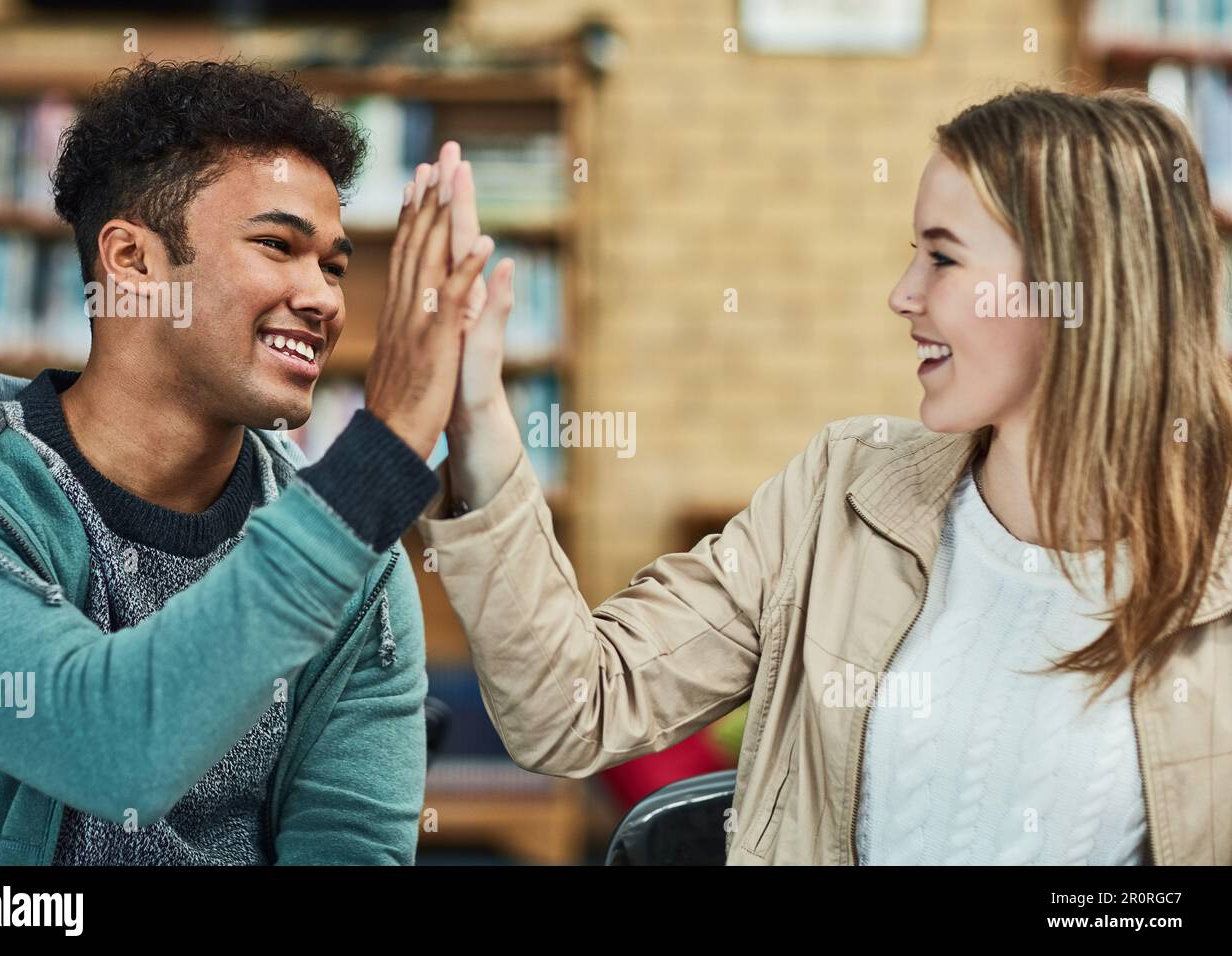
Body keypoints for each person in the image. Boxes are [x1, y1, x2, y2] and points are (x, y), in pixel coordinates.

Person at [417, 85, 1232, 865]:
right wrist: (482, 419)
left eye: (942, 259)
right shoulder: (843, 492)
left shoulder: (1215, 575)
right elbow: (572, 709)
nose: (901, 295)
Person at [0, 59, 493, 865]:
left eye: (333, 265)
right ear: (133, 265)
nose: (326, 298)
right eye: (277, 246)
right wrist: (387, 447)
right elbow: (111, 746)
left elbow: (351, 850)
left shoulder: (357, 571)